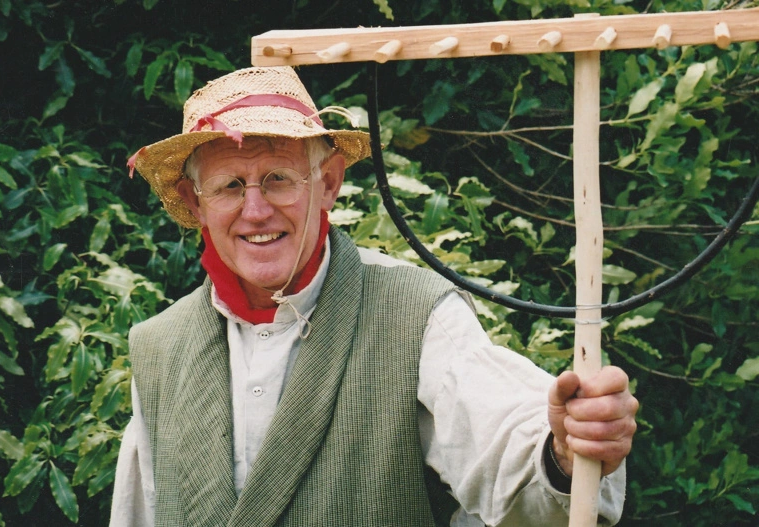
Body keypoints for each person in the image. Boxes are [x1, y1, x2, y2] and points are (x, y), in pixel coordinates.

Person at [112, 66, 638, 527]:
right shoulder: (159, 348)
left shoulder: (415, 315)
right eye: (230, 186)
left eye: (278, 178)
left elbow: (512, 455)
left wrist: (566, 451)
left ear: (329, 183)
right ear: (194, 202)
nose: (255, 211)